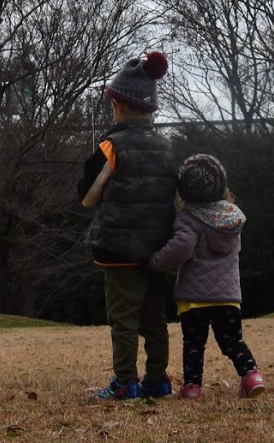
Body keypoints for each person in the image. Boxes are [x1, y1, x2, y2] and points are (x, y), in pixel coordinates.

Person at [77, 50, 176, 401]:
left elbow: (87, 195)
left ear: (118, 105)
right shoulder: (167, 149)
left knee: (124, 319)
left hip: (118, 251)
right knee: (155, 318)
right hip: (159, 250)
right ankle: (158, 380)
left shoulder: (110, 146)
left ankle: (125, 382)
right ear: (149, 109)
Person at [149, 152, 265, 399]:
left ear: (185, 191)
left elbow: (181, 248)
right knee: (233, 341)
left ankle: (192, 387)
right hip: (227, 296)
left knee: (193, 345)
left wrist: (156, 260)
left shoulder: (188, 218)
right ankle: (251, 375)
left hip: (195, 298)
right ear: (221, 185)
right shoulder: (232, 217)